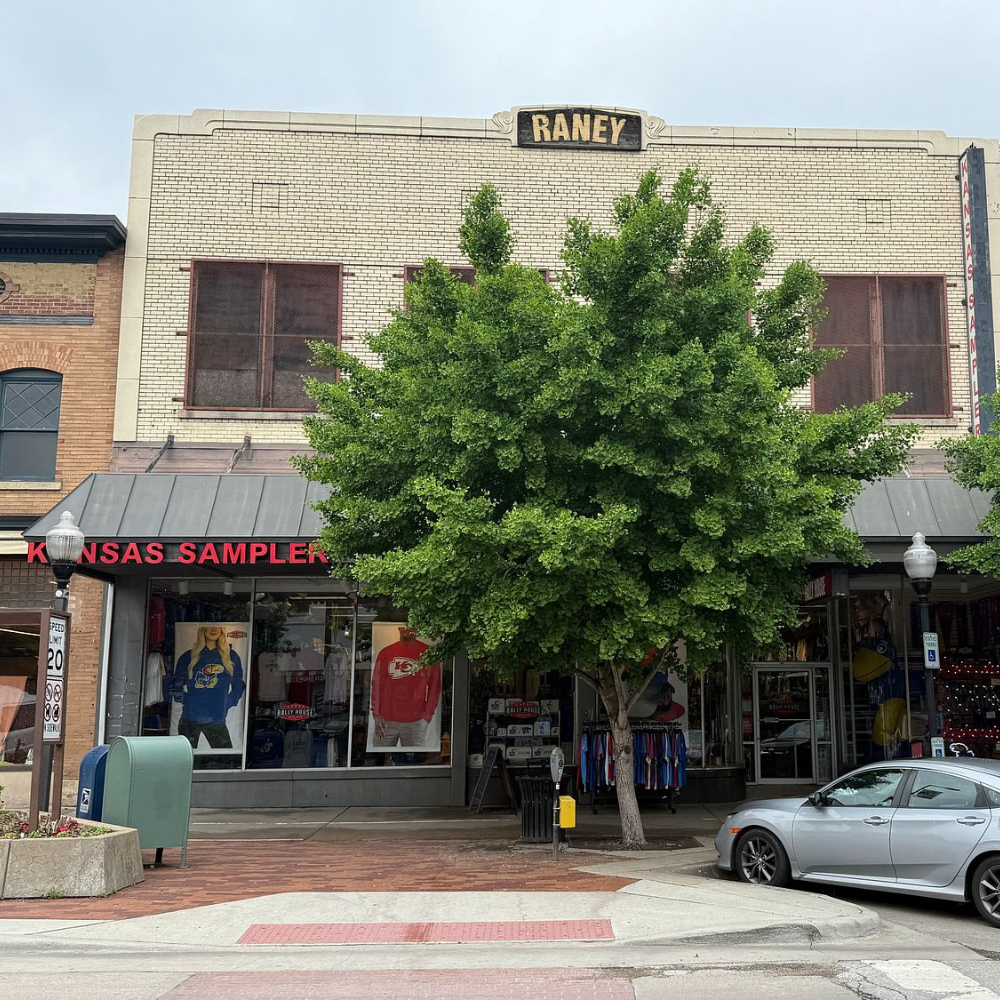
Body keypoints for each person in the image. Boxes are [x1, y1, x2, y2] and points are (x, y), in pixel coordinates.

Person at [174, 625, 245, 749]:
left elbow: (239, 685)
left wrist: (226, 703)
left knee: (225, 760)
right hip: (190, 717)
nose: (214, 629)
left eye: (218, 627)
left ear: (222, 630)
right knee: (186, 758)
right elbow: (175, 685)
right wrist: (188, 701)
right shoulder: (188, 656)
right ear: (202, 630)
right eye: (209, 626)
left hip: (216, 718)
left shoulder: (231, 656)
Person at [371, 626, 441, 749]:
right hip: (386, 720)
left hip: (416, 721)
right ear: (399, 628)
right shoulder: (386, 653)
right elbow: (377, 685)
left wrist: (427, 717)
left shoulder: (428, 654)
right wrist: (376, 715)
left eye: (412, 626)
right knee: (380, 760)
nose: (408, 629)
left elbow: (434, 687)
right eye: (404, 626)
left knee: (414, 761)